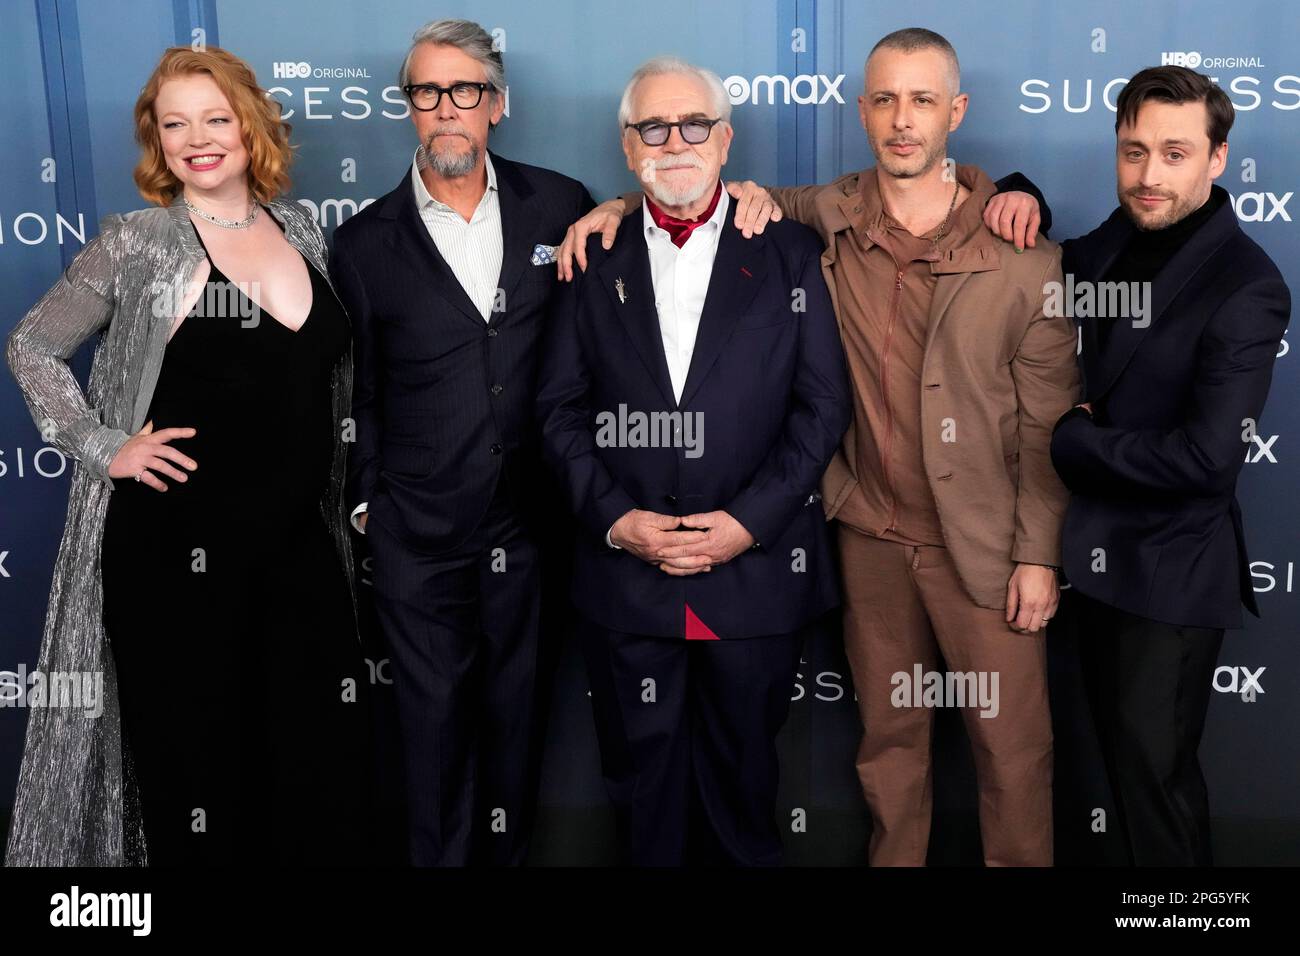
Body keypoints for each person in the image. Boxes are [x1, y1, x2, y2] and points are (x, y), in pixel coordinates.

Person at [558, 30, 1077, 866]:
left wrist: (1038, 555)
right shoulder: (820, 215)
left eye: (921, 100)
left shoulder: (1021, 254)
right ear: (863, 110)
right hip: (869, 537)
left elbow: (1043, 428)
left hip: (982, 545)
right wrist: (616, 206)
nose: (901, 121)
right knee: (887, 756)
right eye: (884, 100)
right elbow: (684, 198)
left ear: (957, 112)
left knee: (1011, 760)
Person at [4, 46, 368, 866]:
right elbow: (32, 345)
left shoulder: (302, 229)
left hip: (301, 549)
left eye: (214, 117)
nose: (197, 139)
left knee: (319, 767)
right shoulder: (138, 243)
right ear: (157, 142)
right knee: (202, 779)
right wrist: (102, 447)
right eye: (174, 125)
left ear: (249, 124)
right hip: (177, 555)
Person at [537, 56, 851, 865]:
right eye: (653, 126)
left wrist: (747, 525)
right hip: (628, 579)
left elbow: (821, 409)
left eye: (694, 125)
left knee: (743, 789)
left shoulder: (789, 251)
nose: (674, 141)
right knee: (641, 794)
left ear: (726, 139)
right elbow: (559, 411)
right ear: (627, 144)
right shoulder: (587, 255)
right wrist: (615, 520)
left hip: (752, 577)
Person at [329, 19, 596, 866]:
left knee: (517, 728)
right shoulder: (365, 243)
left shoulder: (561, 204)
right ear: (409, 106)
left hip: (531, 526)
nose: (447, 108)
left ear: (498, 105)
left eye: (466, 90)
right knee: (431, 733)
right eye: (428, 92)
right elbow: (359, 389)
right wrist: (371, 503)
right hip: (419, 533)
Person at [1041, 66, 1291, 866]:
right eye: (1133, 151)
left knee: (1153, 788)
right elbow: (1054, 257)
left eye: (1175, 154)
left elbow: (1208, 458)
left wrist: (1075, 445)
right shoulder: (1115, 238)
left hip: (1168, 572)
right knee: (1090, 784)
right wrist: (1015, 191)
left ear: (1217, 159)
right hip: (1083, 562)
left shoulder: (1247, 285)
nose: (1149, 176)